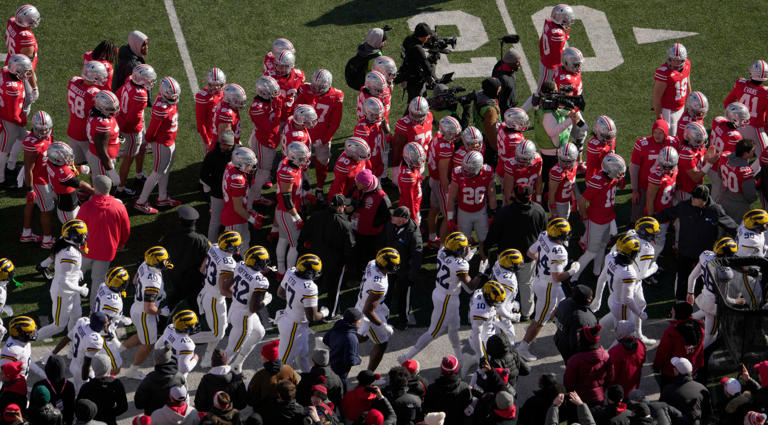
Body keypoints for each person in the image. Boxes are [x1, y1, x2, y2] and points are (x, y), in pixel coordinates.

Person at [399, 232, 475, 363]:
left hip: (440, 292)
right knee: (433, 332)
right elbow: (470, 288)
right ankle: (406, 357)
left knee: (454, 327)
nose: (467, 248)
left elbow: (452, 264)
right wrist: (480, 274)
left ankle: (460, 357)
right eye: (464, 247)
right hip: (447, 300)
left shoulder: (442, 251)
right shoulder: (461, 265)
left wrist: (463, 258)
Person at [654, 185, 738, 300]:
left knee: (702, 282)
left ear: (704, 200)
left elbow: (731, 226)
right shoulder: (684, 206)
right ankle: (680, 303)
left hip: (704, 255)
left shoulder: (715, 210)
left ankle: (698, 304)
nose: (692, 199)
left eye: (695, 198)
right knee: (682, 279)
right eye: (692, 197)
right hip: (685, 252)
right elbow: (666, 214)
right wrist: (652, 219)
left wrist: (741, 235)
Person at [518, 218, 579, 362]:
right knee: (540, 320)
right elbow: (557, 277)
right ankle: (523, 347)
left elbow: (530, 253)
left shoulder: (544, 235)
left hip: (540, 280)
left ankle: (541, 327)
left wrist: (546, 261)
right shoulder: (559, 251)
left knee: (563, 304)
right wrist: (573, 270)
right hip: (549, 287)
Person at [483, 183, 546, 320]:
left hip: (506, 258)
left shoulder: (504, 212)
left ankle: (499, 311)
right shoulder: (539, 210)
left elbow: (493, 234)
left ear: (515, 196)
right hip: (528, 258)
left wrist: (486, 247)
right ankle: (527, 313)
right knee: (526, 284)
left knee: (503, 285)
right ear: (530, 196)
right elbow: (544, 234)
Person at [298, 194, 355, 317]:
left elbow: (304, 234)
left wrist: (303, 250)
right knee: (333, 288)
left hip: (316, 258)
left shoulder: (316, 216)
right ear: (339, 207)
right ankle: (331, 314)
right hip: (335, 262)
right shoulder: (345, 224)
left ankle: (304, 308)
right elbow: (350, 246)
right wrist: (348, 263)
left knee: (313, 284)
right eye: (344, 206)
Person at [123, 247, 174, 380]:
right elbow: (148, 308)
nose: (167, 262)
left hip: (137, 307)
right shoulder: (153, 281)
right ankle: (132, 371)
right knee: (148, 344)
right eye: (164, 260)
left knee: (143, 336)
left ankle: (117, 349)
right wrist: (161, 311)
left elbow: (135, 281)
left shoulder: (145, 264)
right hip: (145, 314)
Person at [134, 76, 183, 213]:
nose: (174, 98)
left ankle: (162, 197)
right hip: (162, 144)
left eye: (175, 96)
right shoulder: (162, 107)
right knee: (157, 173)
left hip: (169, 140)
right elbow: (151, 130)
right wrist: (148, 142)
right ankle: (141, 202)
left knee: (165, 170)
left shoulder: (167, 101)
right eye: (171, 96)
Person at [76, 176, 130, 300]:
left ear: (94, 188)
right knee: (98, 281)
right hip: (106, 251)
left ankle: (68, 301)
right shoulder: (119, 207)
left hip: (85, 249)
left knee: (75, 276)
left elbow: (77, 227)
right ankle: (94, 309)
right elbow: (126, 229)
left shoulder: (86, 206)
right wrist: (122, 242)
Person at [573, 153, 625, 281]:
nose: (620, 175)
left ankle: (597, 272)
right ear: (610, 171)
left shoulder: (611, 178)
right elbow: (582, 201)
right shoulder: (598, 181)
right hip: (597, 221)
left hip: (608, 217)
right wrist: (584, 215)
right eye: (618, 172)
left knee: (603, 246)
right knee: (591, 252)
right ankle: (573, 276)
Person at [37, 220, 90, 341]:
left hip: (71, 289)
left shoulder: (66, 242)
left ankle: (72, 341)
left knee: (76, 316)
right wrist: (80, 290)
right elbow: (63, 282)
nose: (85, 236)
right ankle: (30, 340)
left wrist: (77, 272)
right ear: (74, 236)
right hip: (63, 293)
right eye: (83, 234)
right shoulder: (70, 254)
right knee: (58, 326)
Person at [295, 69, 344, 199]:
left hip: (322, 135)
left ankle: (319, 188)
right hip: (304, 133)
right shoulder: (306, 89)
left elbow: (335, 123)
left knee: (322, 163)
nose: (315, 89)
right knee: (299, 161)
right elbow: (295, 108)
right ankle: (300, 187)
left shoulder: (336, 96)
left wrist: (324, 139)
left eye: (319, 87)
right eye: (314, 86)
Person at [195, 231, 240, 367]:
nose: (238, 247)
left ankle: (207, 359)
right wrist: (242, 297)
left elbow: (202, 269)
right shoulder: (228, 263)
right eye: (237, 245)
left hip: (206, 292)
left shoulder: (214, 247)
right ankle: (181, 338)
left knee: (221, 328)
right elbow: (224, 290)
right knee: (218, 334)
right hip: (214, 300)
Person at [277, 254, 329, 371]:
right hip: (294, 327)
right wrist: (324, 313)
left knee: (302, 354)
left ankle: (306, 375)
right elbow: (312, 317)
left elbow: (280, 293)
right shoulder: (309, 288)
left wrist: (296, 301)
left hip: (290, 319)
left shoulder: (290, 272)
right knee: (283, 364)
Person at [224, 246, 270, 373]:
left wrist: (239, 299)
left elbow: (227, 287)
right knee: (231, 350)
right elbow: (253, 308)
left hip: (235, 308)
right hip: (244, 317)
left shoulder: (240, 265)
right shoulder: (261, 281)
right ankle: (217, 376)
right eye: (264, 261)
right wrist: (266, 301)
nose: (266, 263)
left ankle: (237, 365)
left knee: (259, 332)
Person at [447, 151, 495, 269]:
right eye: (465, 168)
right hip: (464, 212)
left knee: (483, 239)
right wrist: (450, 218)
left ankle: (484, 261)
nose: (466, 172)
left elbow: (492, 194)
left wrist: (493, 213)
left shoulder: (487, 172)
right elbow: (451, 197)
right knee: (463, 241)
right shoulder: (458, 173)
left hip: (480, 211)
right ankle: (463, 264)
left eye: (470, 170)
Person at [686, 238, 738, 348]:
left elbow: (692, 277)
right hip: (713, 304)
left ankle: (685, 319)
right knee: (711, 336)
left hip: (704, 295)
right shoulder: (725, 272)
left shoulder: (705, 255)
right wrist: (737, 301)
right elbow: (724, 299)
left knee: (705, 313)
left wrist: (690, 293)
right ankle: (701, 354)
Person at [114, 64, 156, 197]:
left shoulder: (129, 80)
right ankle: (120, 188)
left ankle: (139, 174)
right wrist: (125, 127)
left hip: (125, 120)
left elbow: (117, 95)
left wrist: (119, 116)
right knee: (129, 158)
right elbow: (133, 118)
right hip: (132, 129)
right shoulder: (140, 95)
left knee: (142, 147)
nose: (151, 82)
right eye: (149, 79)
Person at [355, 247, 400, 371]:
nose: (396, 266)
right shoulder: (379, 284)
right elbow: (368, 310)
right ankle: (369, 375)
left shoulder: (372, 263)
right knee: (382, 343)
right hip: (369, 312)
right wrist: (382, 325)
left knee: (363, 336)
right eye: (394, 264)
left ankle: (341, 342)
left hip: (364, 303)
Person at [274, 142, 313, 277]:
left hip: (287, 210)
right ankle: (289, 274)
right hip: (287, 212)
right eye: (302, 158)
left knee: (283, 239)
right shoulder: (288, 172)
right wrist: (297, 218)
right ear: (294, 158)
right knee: (294, 244)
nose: (305, 160)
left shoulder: (291, 165)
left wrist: (305, 195)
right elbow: (286, 199)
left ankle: (281, 271)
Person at [159, 206, 209, 309]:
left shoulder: (168, 237)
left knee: (173, 301)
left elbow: (159, 253)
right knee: (196, 306)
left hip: (175, 276)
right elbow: (208, 258)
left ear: (180, 219)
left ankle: (165, 314)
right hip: (195, 280)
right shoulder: (202, 240)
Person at [349, 169, 392, 279]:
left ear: (366, 184)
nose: (356, 183)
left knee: (370, 258)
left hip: (372, 235)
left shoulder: (381, 196)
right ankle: (357, 274)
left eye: (358, 182)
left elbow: (388, 214)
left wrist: (374, 223)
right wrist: (353, 205)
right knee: (357, 254)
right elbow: (350, 199)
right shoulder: (357, 188)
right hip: (356, 230)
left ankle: (368, 276)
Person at [384, 207, 423, 330]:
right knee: (386, 292)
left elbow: (417, 255)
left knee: (403, 296)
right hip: (390, 266)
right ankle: (383, 316)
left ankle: (403, 321)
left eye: (394, 217)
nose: (392, 218)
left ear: (402, 219)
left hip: (404, 270)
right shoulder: (391, 225)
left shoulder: (413, 233)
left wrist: (412, 275)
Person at [630, 119, 677, 221]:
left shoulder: (673, 142)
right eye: (655, 132)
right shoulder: (642, 144)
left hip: (664, 185)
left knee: (662, 212)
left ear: (666, 133)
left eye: (660, 133)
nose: (657, 135)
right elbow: (634, 168)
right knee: (639, 215)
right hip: (644, 185)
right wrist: (635, 189)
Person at [247, 76, 282, 207]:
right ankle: (251, 200)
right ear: (264, 93)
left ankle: (253, 194)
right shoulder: (257, 108)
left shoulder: (270, 100)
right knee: (263, 171)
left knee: (260, 170)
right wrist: (278, 111)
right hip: (263, 141)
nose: (276, 94)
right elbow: (271, 129)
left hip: (267, 139)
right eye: (273, 92)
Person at [50, 312, 108, 391]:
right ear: (99, 325)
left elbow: (67, 338)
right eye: (105, 322)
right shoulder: (94, 341)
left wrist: (53, 353)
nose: (107, 323)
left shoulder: (82, 322)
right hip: (82, 372)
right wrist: (85, 381)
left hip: (74, 363)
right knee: (82, 392)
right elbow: (86, 364)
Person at [653, 302, 704, 389]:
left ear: (679, 313)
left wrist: (656, 366)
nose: (671, 313)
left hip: (671, 372)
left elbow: (662, 352)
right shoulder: (700, 327)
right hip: (692, 370)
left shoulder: (672, 332)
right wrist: (699, 365)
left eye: (673, 311)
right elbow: (701, 350)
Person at [21, 110, 54, 247]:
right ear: (34, 128)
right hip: (39, 181)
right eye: (41, 130)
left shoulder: (49, 136)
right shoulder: (32, 145)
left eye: (46, 129)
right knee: (47, 210)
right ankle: (47, 240)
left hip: (45, 176)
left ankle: (26, 233)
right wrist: (30, 189)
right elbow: (28, 169)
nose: (44, 132)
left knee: (31, 204)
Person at [0, 54, 33, 186]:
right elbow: (12, 115)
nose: (27, 73)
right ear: (17, 70)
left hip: (10, 115)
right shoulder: (13, 88)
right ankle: (1, 178)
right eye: (25, 71)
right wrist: (22, 121)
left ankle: (11, 165)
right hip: (9, 122)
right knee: (3, 150)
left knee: (23, 138)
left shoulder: (5, 71)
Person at [221, 146, 261, 251]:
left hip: (237, 213)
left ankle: (245, 260)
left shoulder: (230, 165)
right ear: (239, 164)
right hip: (234, 218)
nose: (251, 167)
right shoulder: (237, 180)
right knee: (231, 249)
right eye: (248, 165)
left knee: (245, 243)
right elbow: (238, 208)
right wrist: (253, 220)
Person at [92, 266, 131, 374]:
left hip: (97, 323)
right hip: (104, 335)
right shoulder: (114, 302)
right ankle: (104, 382)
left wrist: (120, 317)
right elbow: (105, 324)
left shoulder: (103, 286)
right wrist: (114, 340)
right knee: (116, 366)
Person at [45, 142, 95, 225]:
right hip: (67, 206)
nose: (69, 158)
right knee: (72, 226)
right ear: (57, 159)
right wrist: (95, 191)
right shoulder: (63, 173)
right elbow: (81, 184)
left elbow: (67, 169)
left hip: (63, 194)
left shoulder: (51, 163)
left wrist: (79, 168)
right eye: (66, 156)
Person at [724, 60, 768, 154]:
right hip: (756, 129)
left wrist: (733, 121)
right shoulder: (765, 93)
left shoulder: (740, 84)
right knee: (764, 156)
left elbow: (727, 103)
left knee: (738, 154)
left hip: (738, 125)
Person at [563, 324, 613, 406]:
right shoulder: (606, 356)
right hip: (600, 398)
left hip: (579, 400)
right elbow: (610, 378)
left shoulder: (574, 360)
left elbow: (568, 383)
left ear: (583, 341)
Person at [200, 130, 236, 241]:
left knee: (231, 220)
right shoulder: (212, 156)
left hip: (233, 194)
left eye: (227, 145)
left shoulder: (237, 155)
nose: (223, 147)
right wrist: (217, 186)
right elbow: (203, 175)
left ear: (232, 145)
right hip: (218, 194)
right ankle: (211, 245)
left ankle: (229, 244)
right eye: (222, 144)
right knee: (215, 221)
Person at [246, 340, 300, 412]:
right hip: (287, 406)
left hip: (266, 410)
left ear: (266, 358)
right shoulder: (289, 369)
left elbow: (251, 398)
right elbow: (296, 387)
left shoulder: (259, 375)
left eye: (262, 355)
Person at [710, 103, 749, 199]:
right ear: (734, 119)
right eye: (742, 119)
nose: (744, 122)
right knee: (718, 197)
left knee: (714, 190)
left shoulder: (717, 121)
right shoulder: (734, 137)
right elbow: (736, 159)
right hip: (719, 170)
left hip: (710, 162)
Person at [76, 354, 128, 425]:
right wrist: (110, 414)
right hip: (110, 421)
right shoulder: (116, 384)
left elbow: (78, 406)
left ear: (93, 367)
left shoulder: (86, 387)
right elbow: (123, 407)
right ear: (109, 367)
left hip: (91, 420)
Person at [391, 96, 432, 184]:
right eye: (414, 114)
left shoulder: (429, 117)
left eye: (420, 116)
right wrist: (395, 169)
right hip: (408, 165)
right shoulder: (404, 124)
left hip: (421, 161)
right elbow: (397, 148)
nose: (416, 118)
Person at [134, 345, 185, 416]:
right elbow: (183, 397)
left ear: (155, 361)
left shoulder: (149, 379)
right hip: (174, 416)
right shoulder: (180, 376)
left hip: (153, 417)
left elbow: (139, 404)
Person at [653, 43, 691, 136]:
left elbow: (688, 85)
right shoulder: (663, 72)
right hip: (669, 112)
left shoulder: (687, 64)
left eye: (679, 60)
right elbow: (656, 97)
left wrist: (689, 102)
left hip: (682, 106)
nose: (676, 63)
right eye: (673, 60)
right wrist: (659, 117)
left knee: (683, 134)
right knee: (670, 138)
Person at [659, 357, 711, 425]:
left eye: (675, 367)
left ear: (677, 371)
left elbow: (661, 410)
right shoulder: (702, 388)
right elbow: (707, 413)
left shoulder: (668, 390)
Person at [552, 284, 596, 363]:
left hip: (560, 341)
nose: (592, 298)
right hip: (573, 353)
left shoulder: (563, 303)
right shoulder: (583, 319)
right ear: (586, 299)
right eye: (590, 297)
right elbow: (575, 344)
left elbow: (554, 318)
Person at [422, 356, 473, 425]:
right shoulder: (464, 388)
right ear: (456, 369)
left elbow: (426, 408)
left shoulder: (432, 388)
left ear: (442, 369)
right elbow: (468, 407)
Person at [394, 23, 436, 104]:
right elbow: (427, 68)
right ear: (422, 37)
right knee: (416, 103)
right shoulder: (417, 49)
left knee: (418, 101)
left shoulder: (408, 39)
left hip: (407, 74)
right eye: (427, 36)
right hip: (415, 80)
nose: (428, 37)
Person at [718, 138, 758, 223]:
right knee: (737, 228)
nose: (754, 153)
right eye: (752, 151)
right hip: (738, 205)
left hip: (723, 197)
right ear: (745, 153)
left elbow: (720, 174)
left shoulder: (724, 156)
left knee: (722, 225)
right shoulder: (745, 171)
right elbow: (750, 195)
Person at [322, 308, 363, 389]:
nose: (361, 321)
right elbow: (350, 360)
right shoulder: (351, 338)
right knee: (340, 392)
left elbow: (325, 339)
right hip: (341, 373)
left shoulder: (337, 326)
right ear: (354, 322)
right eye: (359, 319)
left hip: (331, 365)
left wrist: (336, 346)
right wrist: (358, 359)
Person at [154, 310, 199, 379]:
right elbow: (183, 369)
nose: (195, 325)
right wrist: (195, 359)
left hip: (163, 369)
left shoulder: (169, 328)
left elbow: (157, 346)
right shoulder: (187, 345)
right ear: (186, 327)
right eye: (193, 324)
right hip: (176, 377)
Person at [32, 356, 76, 425]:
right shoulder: (70, 386)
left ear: (47, 370)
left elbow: (32, 408)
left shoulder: (39, 386)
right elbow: (71, 409)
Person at [608, 320, 646, 397]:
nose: (616, 331)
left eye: (617, 329)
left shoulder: (615, 351)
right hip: (634, 386)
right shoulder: (641, 344)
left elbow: (612, 373)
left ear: (621, 333)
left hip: (619, 391)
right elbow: (643, 361)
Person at [195, 67, 226, 153]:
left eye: (218, 85)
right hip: (211, 135)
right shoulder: (203, 97)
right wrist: (206, 141)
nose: (215, 88)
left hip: (225, 131)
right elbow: (200, 122)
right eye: (212, 85)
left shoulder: (226, 91)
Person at [397, 142, 426, 225]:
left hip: (413, 199)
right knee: (414, 224)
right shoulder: (408, 176)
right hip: (412, 204)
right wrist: (414, 217)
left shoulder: (407, 164)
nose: (419, 163)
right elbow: (409, 200)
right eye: (416, 161)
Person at [548, 142, 579, 219]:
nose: (565, 163)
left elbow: (572, 185)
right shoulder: (556, 172)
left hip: (566, 200)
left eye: (568, 161)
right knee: (560, 223)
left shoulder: (575, 166)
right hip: (559, 203)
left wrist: (574, 201)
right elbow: (551, 193)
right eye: (563, 160)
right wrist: (553, 210)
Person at [585, 115, 618, 180]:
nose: (610, 138)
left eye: (611, 135)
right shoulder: (594, 145)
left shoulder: (612, 138)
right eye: (607, 136)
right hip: (595, 177)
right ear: (598, 132)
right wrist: (611, 155)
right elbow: (603, 163)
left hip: (607, 172)